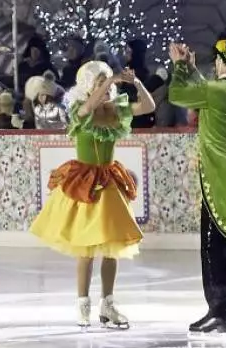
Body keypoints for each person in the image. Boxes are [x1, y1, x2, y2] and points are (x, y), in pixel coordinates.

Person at [29, 61, 155, 329]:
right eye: (99, 82)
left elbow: (149, 107)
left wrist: (136, 84)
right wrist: (109, 83)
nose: (106, 87)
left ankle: (107, 305)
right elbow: (87, 108)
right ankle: (82, 304)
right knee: (86, 250)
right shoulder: (79, 109)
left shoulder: (115, 109)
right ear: (88, 85)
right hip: (84, 184)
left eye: (107, 81)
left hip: (108, 182)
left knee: (111, 248)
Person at [167, 36, 226, 334]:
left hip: (221, 176)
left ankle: (218, 311)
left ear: (225, 61)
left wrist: (180, 67)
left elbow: (178, 94)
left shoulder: (219, 91)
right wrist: (192, 70)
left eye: (219, 59)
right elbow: (204, 92)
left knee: (213, 245)